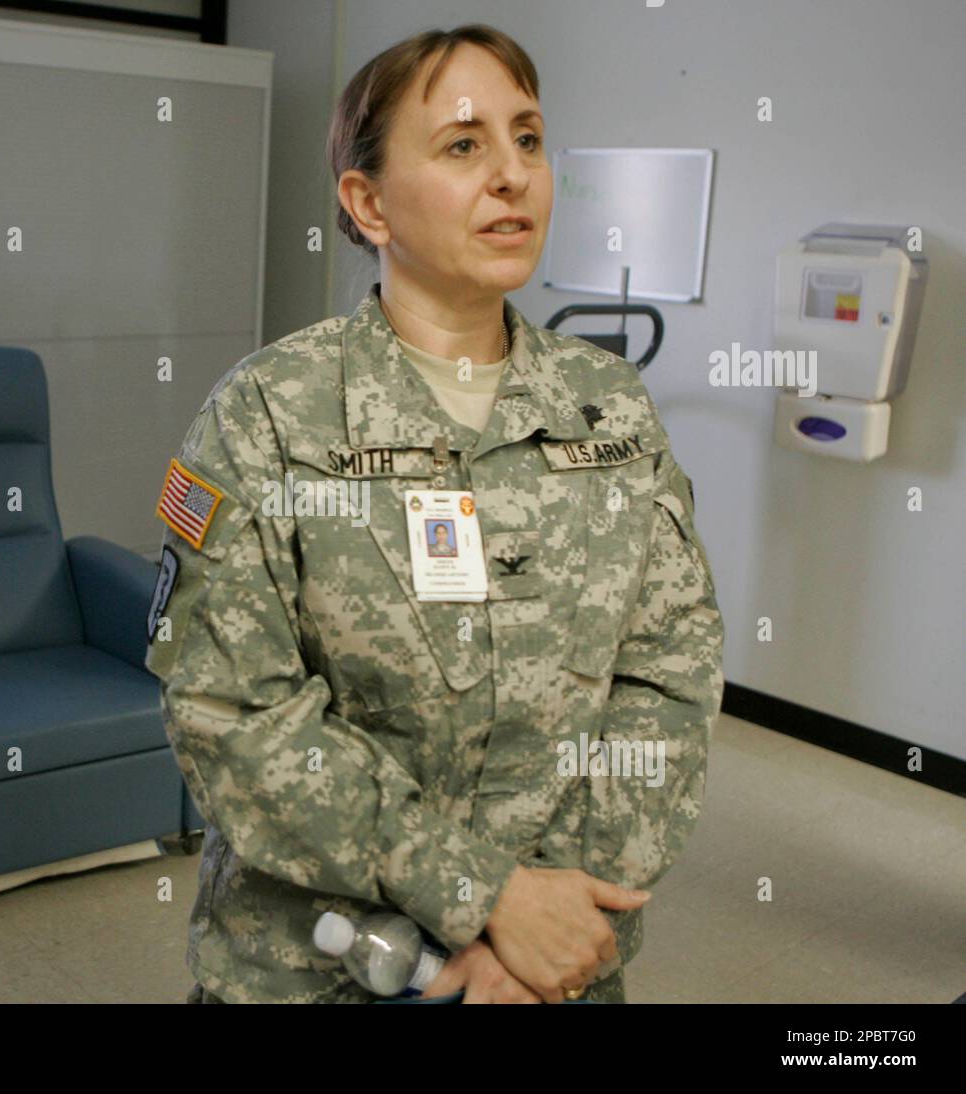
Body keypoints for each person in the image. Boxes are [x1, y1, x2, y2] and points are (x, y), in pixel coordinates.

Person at [146, 24, 724, 1004]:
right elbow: (230, 715)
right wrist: (480, 893)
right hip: (321, 969)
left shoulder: (609, 405)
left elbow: (668, 672)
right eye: (463, 145)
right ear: (367, 202)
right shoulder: (268, 414)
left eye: (528, 140)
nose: (512, 175)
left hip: (555, 972)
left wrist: (555, 922)